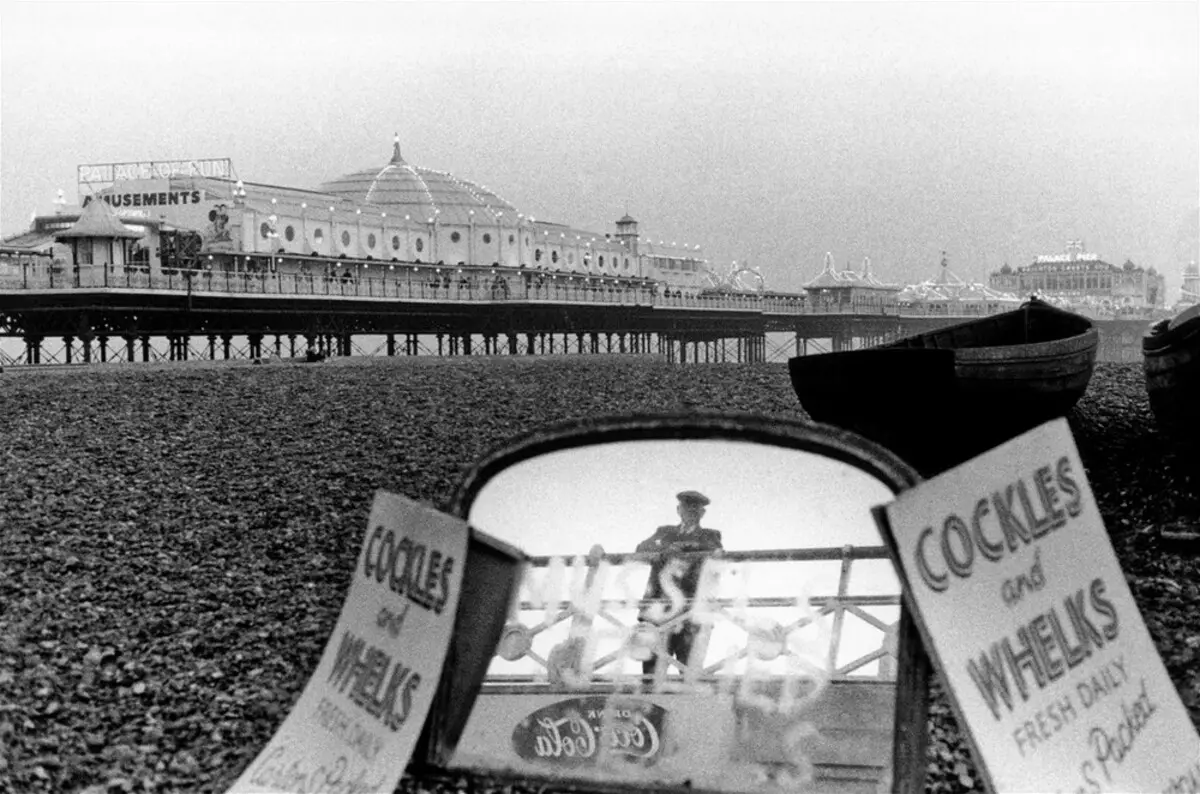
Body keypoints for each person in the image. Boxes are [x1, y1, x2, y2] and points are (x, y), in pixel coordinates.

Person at [636, 490, 723, 680]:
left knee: (689, 670)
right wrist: (664, 549)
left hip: (690, 614)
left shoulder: (710, 535)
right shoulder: (664, 532)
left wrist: (682, 548)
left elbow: (715, 551)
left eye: (695, 509)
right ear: (678, 510)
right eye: (686, 507)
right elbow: (642, 549)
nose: (690, 512)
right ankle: (651, 707)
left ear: (702, 514)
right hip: (657, 612)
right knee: (651, 672)